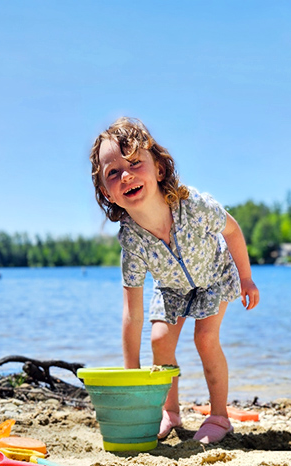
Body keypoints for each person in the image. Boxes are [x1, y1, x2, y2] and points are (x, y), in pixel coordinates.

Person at [90, 117, 260, 444]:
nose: (125, 175)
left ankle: (220, 416)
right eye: (113, 173)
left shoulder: (192, 205)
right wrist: (132, 373)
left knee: (205, 339)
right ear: (106, 193)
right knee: (159, 340)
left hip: (213, 275)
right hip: (171, 288)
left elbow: (232, 230)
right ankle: (170, 411)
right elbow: (132, 312)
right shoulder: (132, 240)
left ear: (159, 170)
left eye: (135, 163)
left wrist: (247, 277)